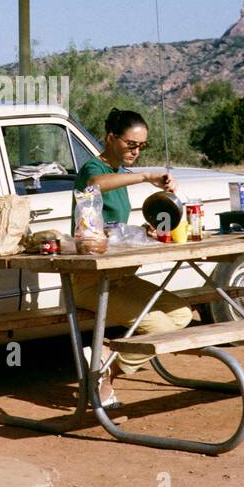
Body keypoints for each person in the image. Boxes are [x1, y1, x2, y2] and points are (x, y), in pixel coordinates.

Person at [70, 108, 194, 408]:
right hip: (91, 283)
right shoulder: (92, 169)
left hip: (120, 278)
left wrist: (141, 232)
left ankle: (105, 363)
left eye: (142, 147)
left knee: (181, 314)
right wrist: (146, 176)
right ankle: (106, 372)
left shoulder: (122, 175)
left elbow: (111, 229)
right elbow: (95, 185)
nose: (136, 152)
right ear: (111, 138)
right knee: (160, 328)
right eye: (131, 145)